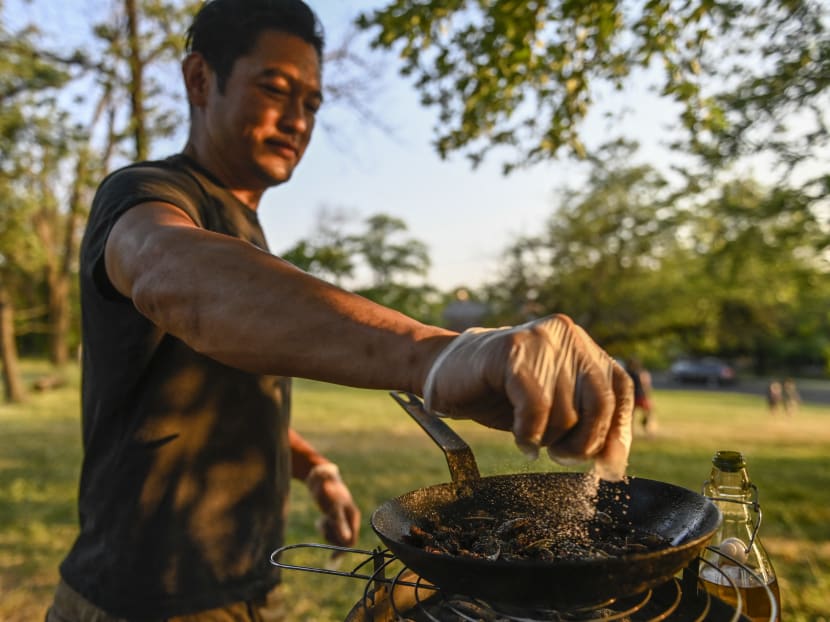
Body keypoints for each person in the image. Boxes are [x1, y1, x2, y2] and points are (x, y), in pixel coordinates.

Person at [46, 1, 634, 620]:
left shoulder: (245, 234)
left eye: (311, 103)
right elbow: (168, 272)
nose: (297, 120)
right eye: (274, 89)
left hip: (245, 586)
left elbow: (216, 393)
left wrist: (312, 466)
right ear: (199, 79)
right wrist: (434, 355)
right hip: (140, 599)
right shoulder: (144, 194)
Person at [625, 357, 655, 433]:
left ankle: (631, 431)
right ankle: (647, 428)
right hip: (641, 396)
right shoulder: (641, 373)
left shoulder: (626, 373)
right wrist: (648, 396)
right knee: (648, 413)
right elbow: (646, 385)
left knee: (631, 416)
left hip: (632, 396)